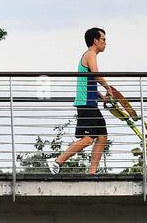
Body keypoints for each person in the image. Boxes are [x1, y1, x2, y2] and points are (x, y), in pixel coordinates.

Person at [47, 27, 122, 175]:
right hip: (85, 103)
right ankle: (57, 161)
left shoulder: (90, 55)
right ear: (95, 41)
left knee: (102, 137)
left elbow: (87, 81)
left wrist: (101, 95)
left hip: (90, 102)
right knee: (88, 139)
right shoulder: (90, 54)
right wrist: (108, 87)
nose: (105, 43)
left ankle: (92, 172)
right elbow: (95, 74)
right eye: (103, 39)